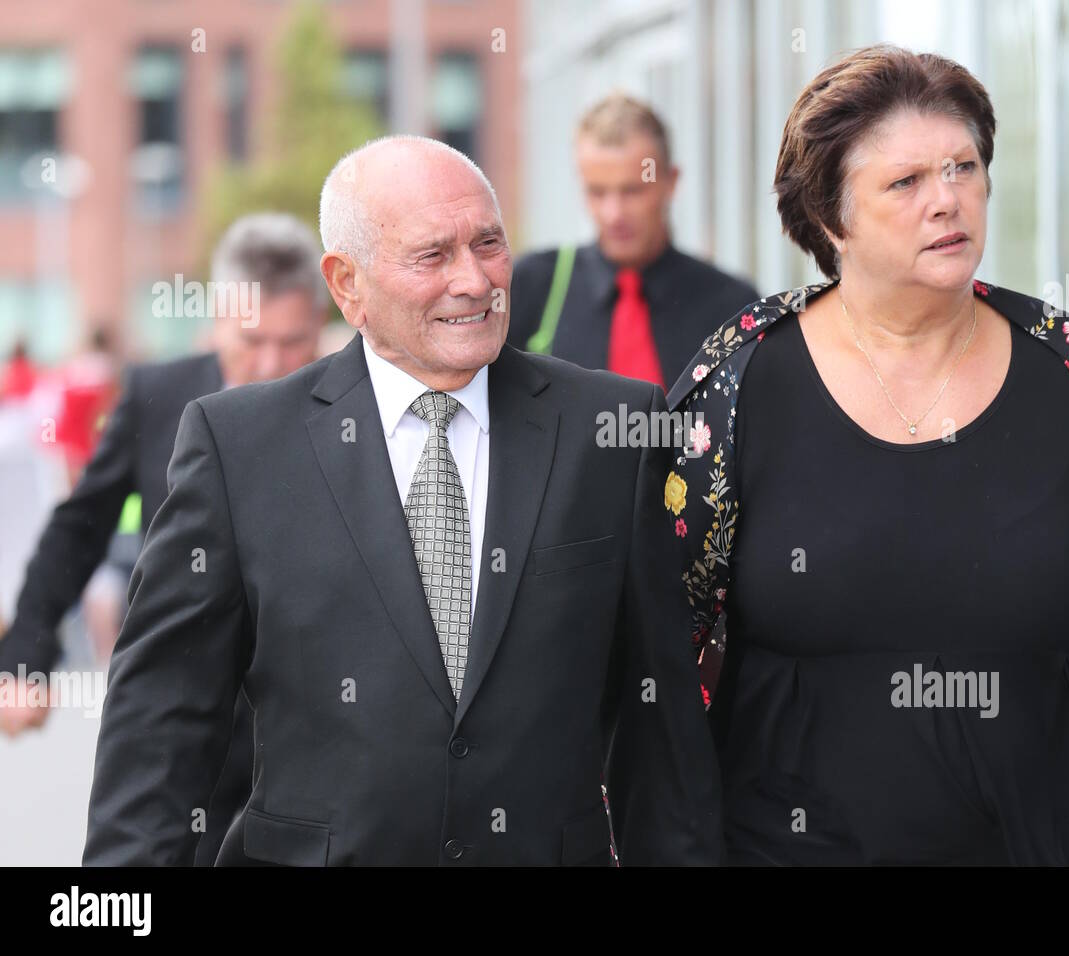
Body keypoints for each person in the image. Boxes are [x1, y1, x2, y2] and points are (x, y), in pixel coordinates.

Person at [666, 45, 1069, 866]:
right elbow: (657, 642)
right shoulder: (741, 380)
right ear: (831, 218)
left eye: (963, 168)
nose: (948, 200)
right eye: (905, 183)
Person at [82, 135, 724, 866]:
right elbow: (161, 721)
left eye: (488, 244)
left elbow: (662, 731)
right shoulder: (238, 448)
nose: (476, 281)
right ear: (346, 284)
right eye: (433, 255)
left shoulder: (611, 432)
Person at [0, 212, 330, 868]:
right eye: (252, 338)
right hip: (183, 716)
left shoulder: (350, 407)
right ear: (215, 318)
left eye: (293, 342)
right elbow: (79, 526)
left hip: (307, 731)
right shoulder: (159, 396)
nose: (270, 363)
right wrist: (24, 656)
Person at [508, 93, 758, 390]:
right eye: (597, 192)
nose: (614, 214)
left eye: (632, 191)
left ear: (671, 181)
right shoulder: (535, 287)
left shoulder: (731, 304)